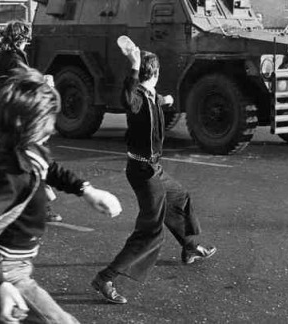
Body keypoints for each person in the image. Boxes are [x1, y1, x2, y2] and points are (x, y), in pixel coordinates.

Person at [0, 68, 122, 323]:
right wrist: (0, 284)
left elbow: (51, 169)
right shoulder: (11, 173)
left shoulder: (29, 150)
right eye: (47, 121)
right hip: (8, 272)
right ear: (25, 124)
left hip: (17, 268)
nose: (52, 128)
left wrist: (87, 191)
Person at [91, 47, 217, 304]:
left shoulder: (150, 95)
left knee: (180, 197)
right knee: (150, 232)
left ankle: (189, 245)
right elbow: (129, 100)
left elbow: (154, 100)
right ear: (156, 73)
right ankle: (105, 278)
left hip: (153, 168)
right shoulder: (136, 97)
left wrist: (166, 100)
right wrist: (133, 67)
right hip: (143, 172)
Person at [0, 20, 62, 222]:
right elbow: (27, 80)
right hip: (21, 116)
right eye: (26, 38)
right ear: (21, 39)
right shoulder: (17, 57)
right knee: (33, 163)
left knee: (14, 164)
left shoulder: (0, 57)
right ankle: (41, 208)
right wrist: (45, 81)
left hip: (6, 116)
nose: (28, 42)